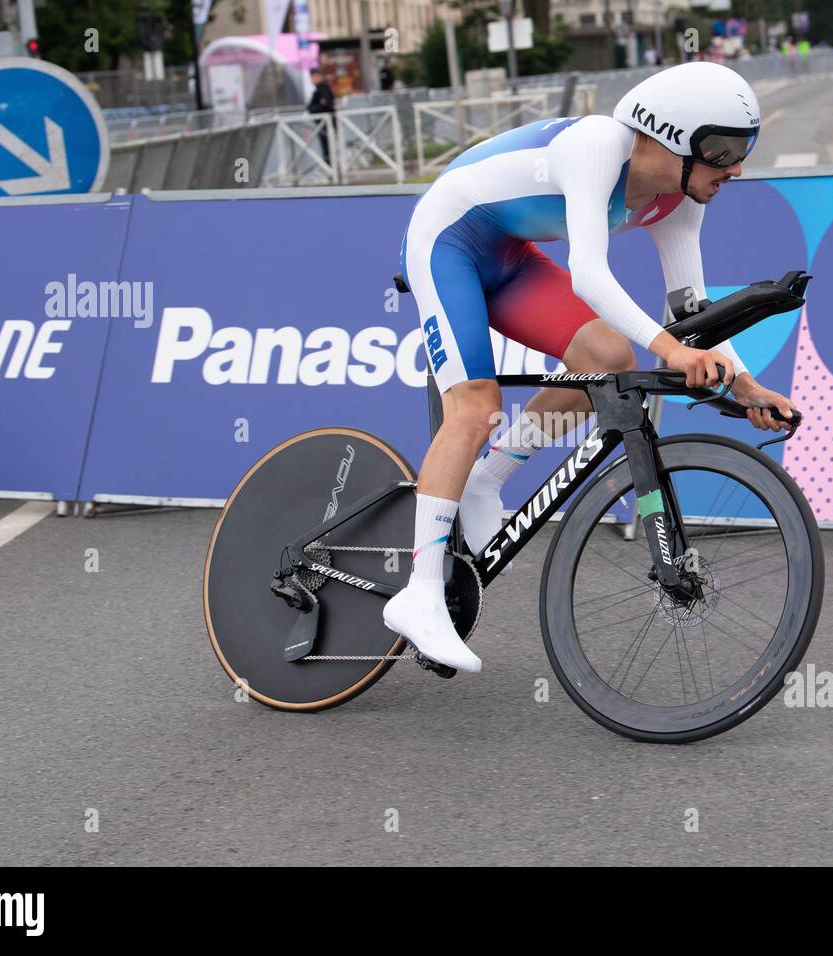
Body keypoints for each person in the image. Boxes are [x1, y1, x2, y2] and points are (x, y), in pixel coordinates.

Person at [384, 62, 796, 674]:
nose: (736, 167)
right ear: (667, 134)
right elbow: (589, 273)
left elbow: (695, 311)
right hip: (447, 241)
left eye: (745, 148)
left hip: (509, 256)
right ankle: (418, 594)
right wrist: (675, 350)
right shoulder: (598, 145)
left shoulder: (681, 199)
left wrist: (747, 385)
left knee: (607, 358)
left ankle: (484, 479)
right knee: (473, 407)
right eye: (724, 149)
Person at [306, 68, 335, 167]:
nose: (312, 79)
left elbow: (325, 105)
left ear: (319, 76)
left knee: (328, 150)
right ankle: (331, 170)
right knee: (328, 150)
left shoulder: (322, 89)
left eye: (313, 77)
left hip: (325, 124)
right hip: (324, 124)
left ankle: (332, 171)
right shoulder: (320, 89)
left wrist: (311, 108)